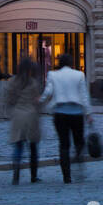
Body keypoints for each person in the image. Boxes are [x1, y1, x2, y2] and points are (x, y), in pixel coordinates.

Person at [39, 52, 92, 184]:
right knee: (79, 141)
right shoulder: (79, 74)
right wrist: (88, 113)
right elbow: (84, 95)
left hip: (60, 113)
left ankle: (66, 176)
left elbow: (48, 91)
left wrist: (40, 100)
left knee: (64, 145)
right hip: (76, 113)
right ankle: (78, 156)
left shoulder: (53, 75)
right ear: (71, 63)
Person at [4, 56, 43, 185]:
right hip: (31, 116)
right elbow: (37, 101)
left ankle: (16, 173)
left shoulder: (13, 81)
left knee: (18, 146)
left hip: (18, 115)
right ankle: (33, 176)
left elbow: (9, 99)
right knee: (33, 148)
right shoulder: (33, 83)